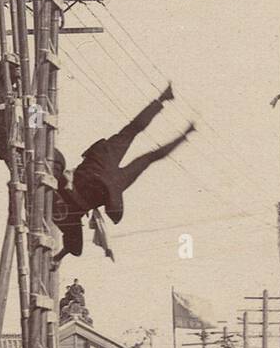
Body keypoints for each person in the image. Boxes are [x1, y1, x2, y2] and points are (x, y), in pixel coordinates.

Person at [51, 88, 194, 261]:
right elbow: (74, 247)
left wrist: (58, 257)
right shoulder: (62, 203)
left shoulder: (69, 217)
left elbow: (74, 247)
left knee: (145, 153)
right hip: (101, 168)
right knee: (133, 134)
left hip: (109, 182)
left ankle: (169, 111)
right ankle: (163, 100)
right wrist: (58, 256)